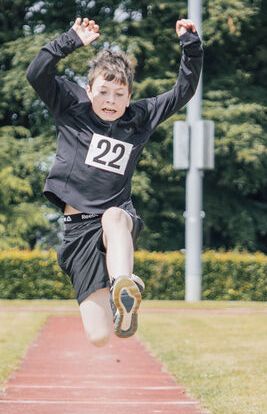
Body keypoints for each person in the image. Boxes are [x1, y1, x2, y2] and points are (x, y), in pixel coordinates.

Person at [26, 17, 202, 345]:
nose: (110, 101)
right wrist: (70, 41)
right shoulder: (70, 105)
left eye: (119, 94)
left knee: (114, 216)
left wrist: (191, 46)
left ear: (129, 96)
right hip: (77, 228)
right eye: (103, 92)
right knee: (99, 337)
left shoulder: (140, 117)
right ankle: (122, 300)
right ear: (88, 89)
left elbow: (184, 90)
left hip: (115, 220)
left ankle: (123, 281)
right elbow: (36, 73)